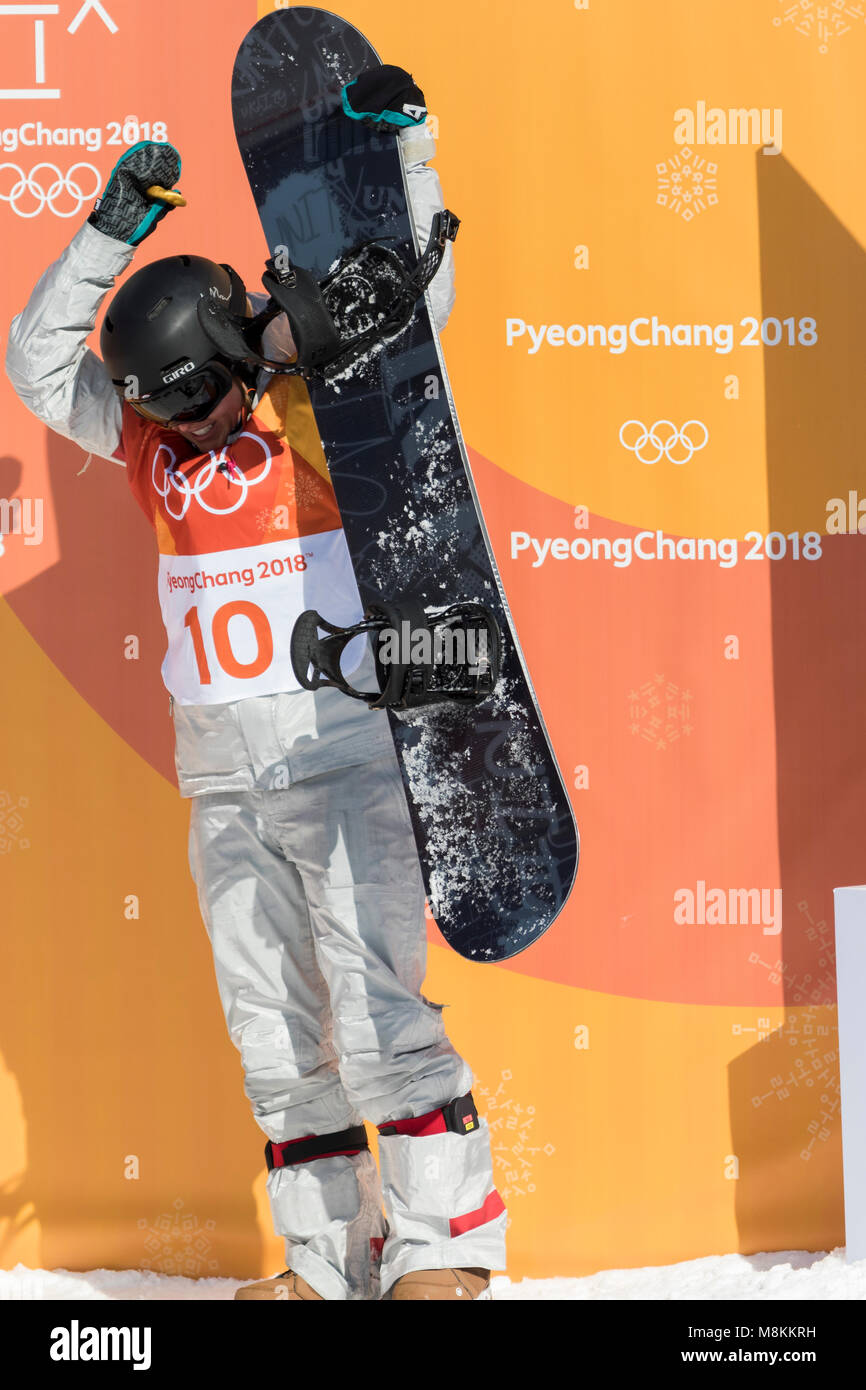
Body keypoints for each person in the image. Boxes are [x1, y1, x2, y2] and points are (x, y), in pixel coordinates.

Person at [5, 65, 506, 1302]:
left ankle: (450, 1249)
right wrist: (111, 230)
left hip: (342, 754)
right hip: (224, 782)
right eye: (162, 420)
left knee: (379, 1010)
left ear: (236, 357)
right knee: (273, 1033)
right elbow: (35, 362)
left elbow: (414, 310)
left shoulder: (319, 410)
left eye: (196, 407)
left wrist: (410, 155)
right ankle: (327, 1261)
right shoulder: (140, 444)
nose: (180, 437)